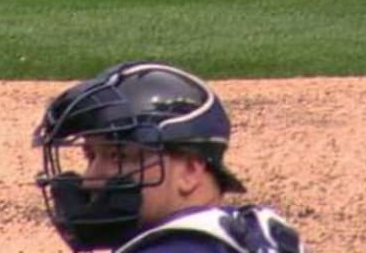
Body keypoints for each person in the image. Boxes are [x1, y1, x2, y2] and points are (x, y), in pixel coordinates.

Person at [32, 61, 304, 253]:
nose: (91, 179)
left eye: (118, 156)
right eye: (90, 156)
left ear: (190, 170)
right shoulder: (251, 233)